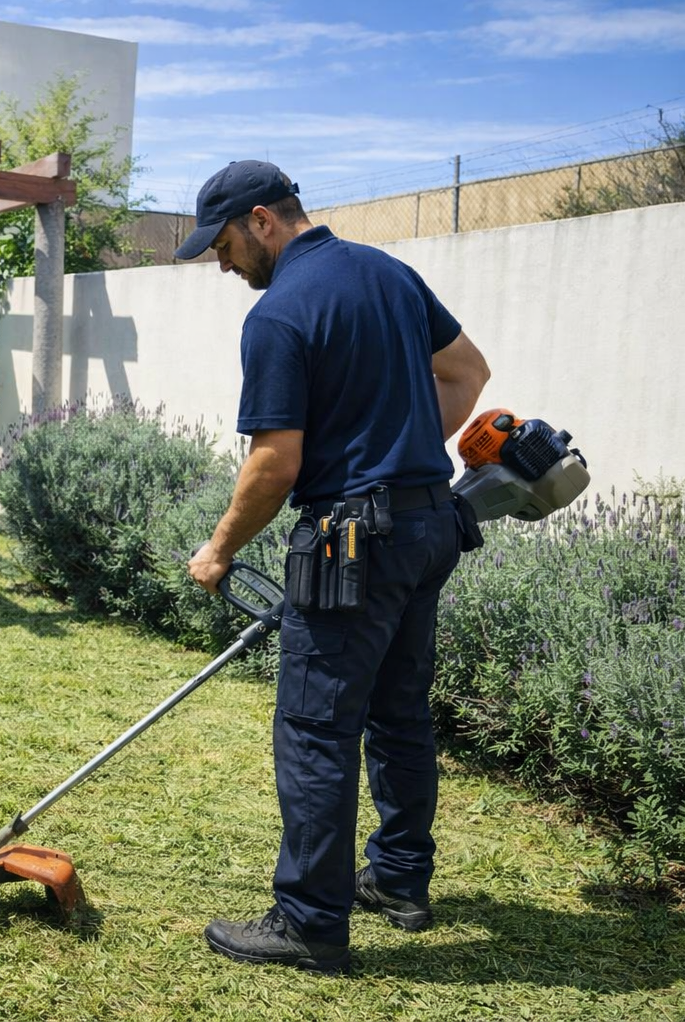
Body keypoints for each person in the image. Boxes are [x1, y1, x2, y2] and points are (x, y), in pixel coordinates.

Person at [181, 160, 490, 974]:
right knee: (399, 713)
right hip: (430, 524)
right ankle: (397, 882)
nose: (220, 263)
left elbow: (276, 463)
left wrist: (219, 551)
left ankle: (311, 923)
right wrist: (402, 450)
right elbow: (467, 375)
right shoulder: (390, 274)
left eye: (220, 245)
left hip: (350, 539)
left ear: (261, 221)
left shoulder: (281, 313)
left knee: (317, 729)